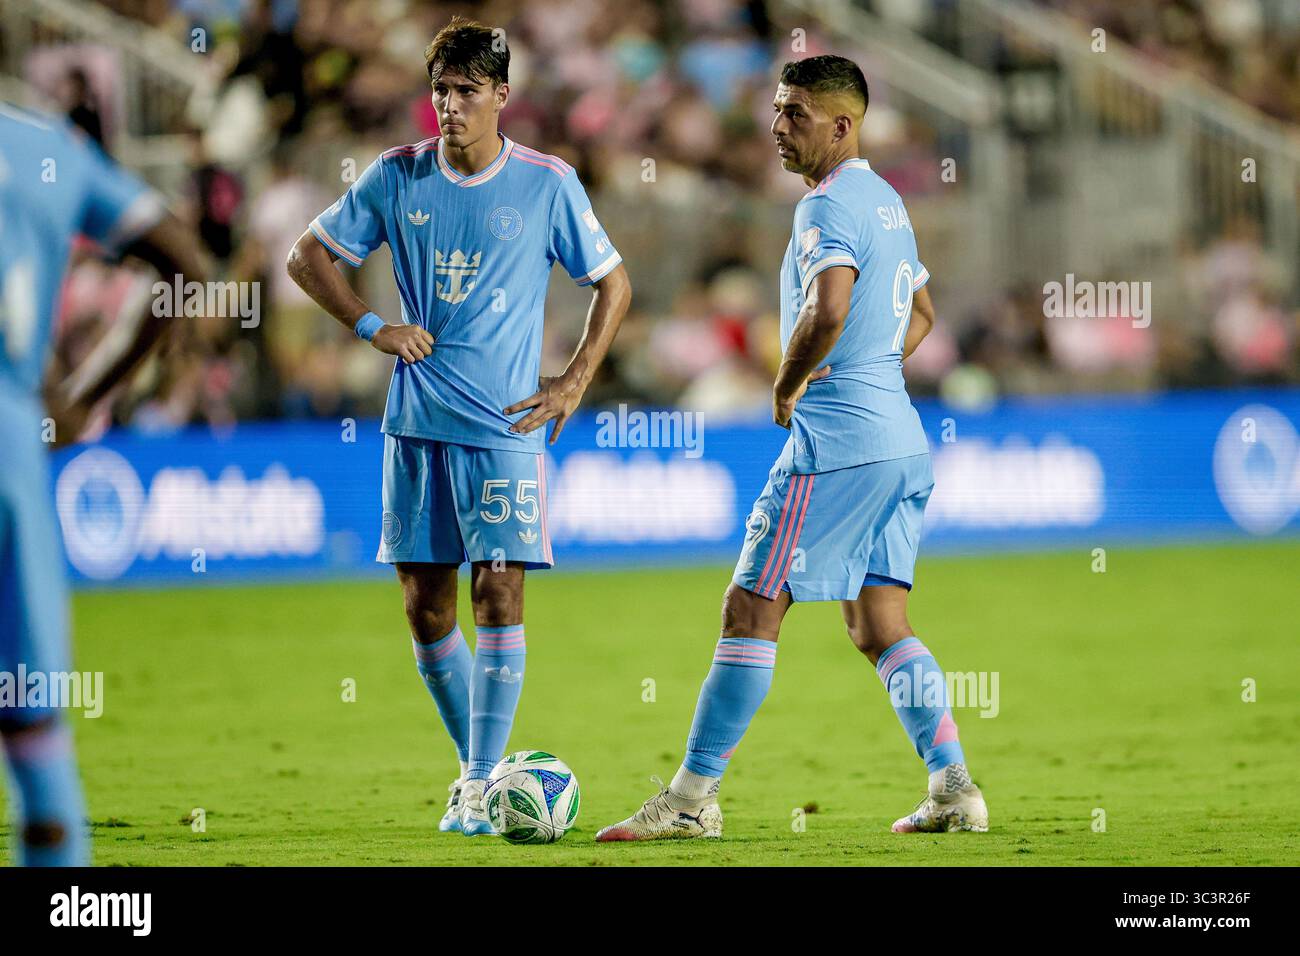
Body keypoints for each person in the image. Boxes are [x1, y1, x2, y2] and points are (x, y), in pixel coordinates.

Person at [596, 55, 988, 841]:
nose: (777, 126)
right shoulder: (887, 201)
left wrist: (787, 383)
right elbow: (922, 316)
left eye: (796, 114)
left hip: (835, 447)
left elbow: (829, 307)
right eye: (776, 110)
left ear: (842, 125)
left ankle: (690, 800)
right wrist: (869, 377)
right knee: (879, 623)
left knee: (750, 608)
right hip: (901, 444)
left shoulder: (825, 209)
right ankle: (953, 788)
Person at [285, 17, 631, 837]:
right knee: (426, 608)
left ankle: (477, 783)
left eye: (467, 91)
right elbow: (307, 256)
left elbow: (612, 285)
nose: (448, 105)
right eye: (439, 89)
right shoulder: (397, 175)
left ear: (502, 96)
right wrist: (374, 327)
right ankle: (478, 775)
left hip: (506, 426)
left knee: (499, 591)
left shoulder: (547, 183)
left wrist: (574, 380)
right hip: (415, 425)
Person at [0, 103, 204, 864]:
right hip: (10, 441)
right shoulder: (48, 148)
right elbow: (186, 262)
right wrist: (83, 397)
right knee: (32, 729)